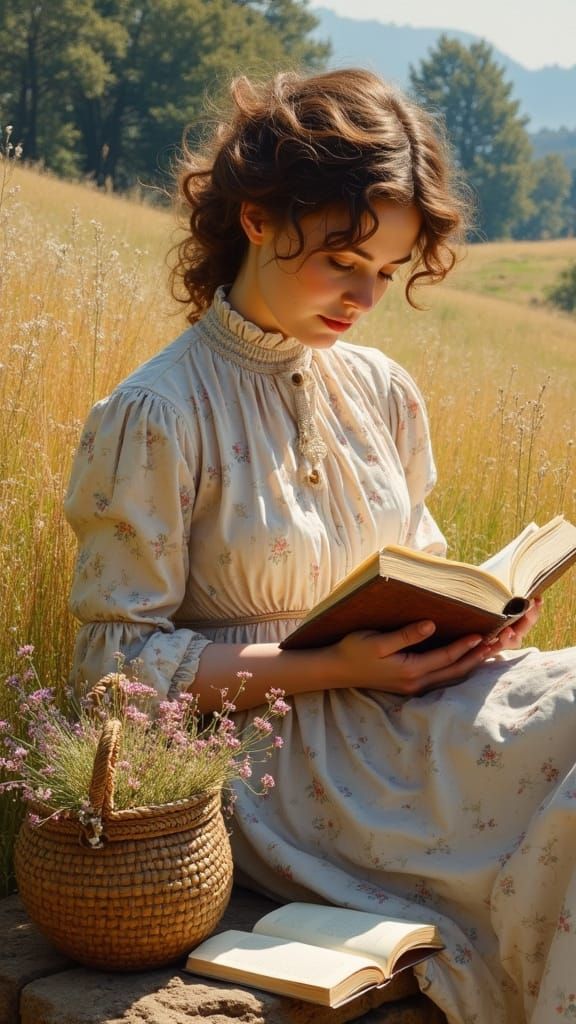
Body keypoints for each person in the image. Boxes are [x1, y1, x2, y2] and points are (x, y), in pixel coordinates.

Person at [64, 69, 575, 1024]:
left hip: (420, 713)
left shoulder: (383, 389)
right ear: (259, 218)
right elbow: (108, 669)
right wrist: (334, 665)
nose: (365, 296)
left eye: (386, 272)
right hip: (282, 762)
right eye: (344, 259)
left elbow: (414, 568)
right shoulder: (156, 413)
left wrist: (477, 618)